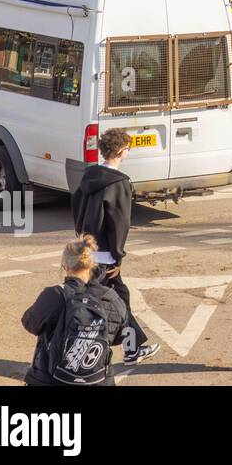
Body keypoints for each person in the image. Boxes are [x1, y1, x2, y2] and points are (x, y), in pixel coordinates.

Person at [71, 128, 160, 366]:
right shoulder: (119, 183)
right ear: (122, 151)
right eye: (128, 149)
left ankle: (132, 350)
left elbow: (76, 206)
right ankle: (80, 354)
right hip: (106, 258)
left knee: (118, 299)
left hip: (88, 250)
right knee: (98, 306)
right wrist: (118, 258)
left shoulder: (89, 176)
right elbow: (119, 223)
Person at [21, 235, 128, 386]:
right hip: (98, 379)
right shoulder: (111, 297)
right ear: (93, 265)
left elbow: (29, 323)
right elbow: (120, 335)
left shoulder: (54, 295)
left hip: (51, 378)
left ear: (65, 267)